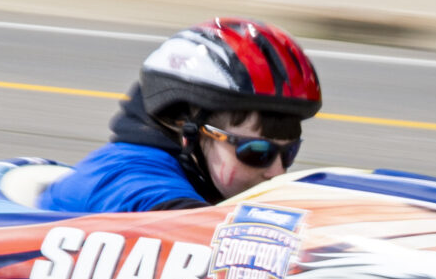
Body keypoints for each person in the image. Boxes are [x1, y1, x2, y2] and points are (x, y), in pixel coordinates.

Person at [40, 17, 322, 215]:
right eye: (257, 151)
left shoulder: (201, 176)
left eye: (289, 153)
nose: (277, 172)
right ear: (183, 126)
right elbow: (178, 220)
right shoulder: (126, 178)